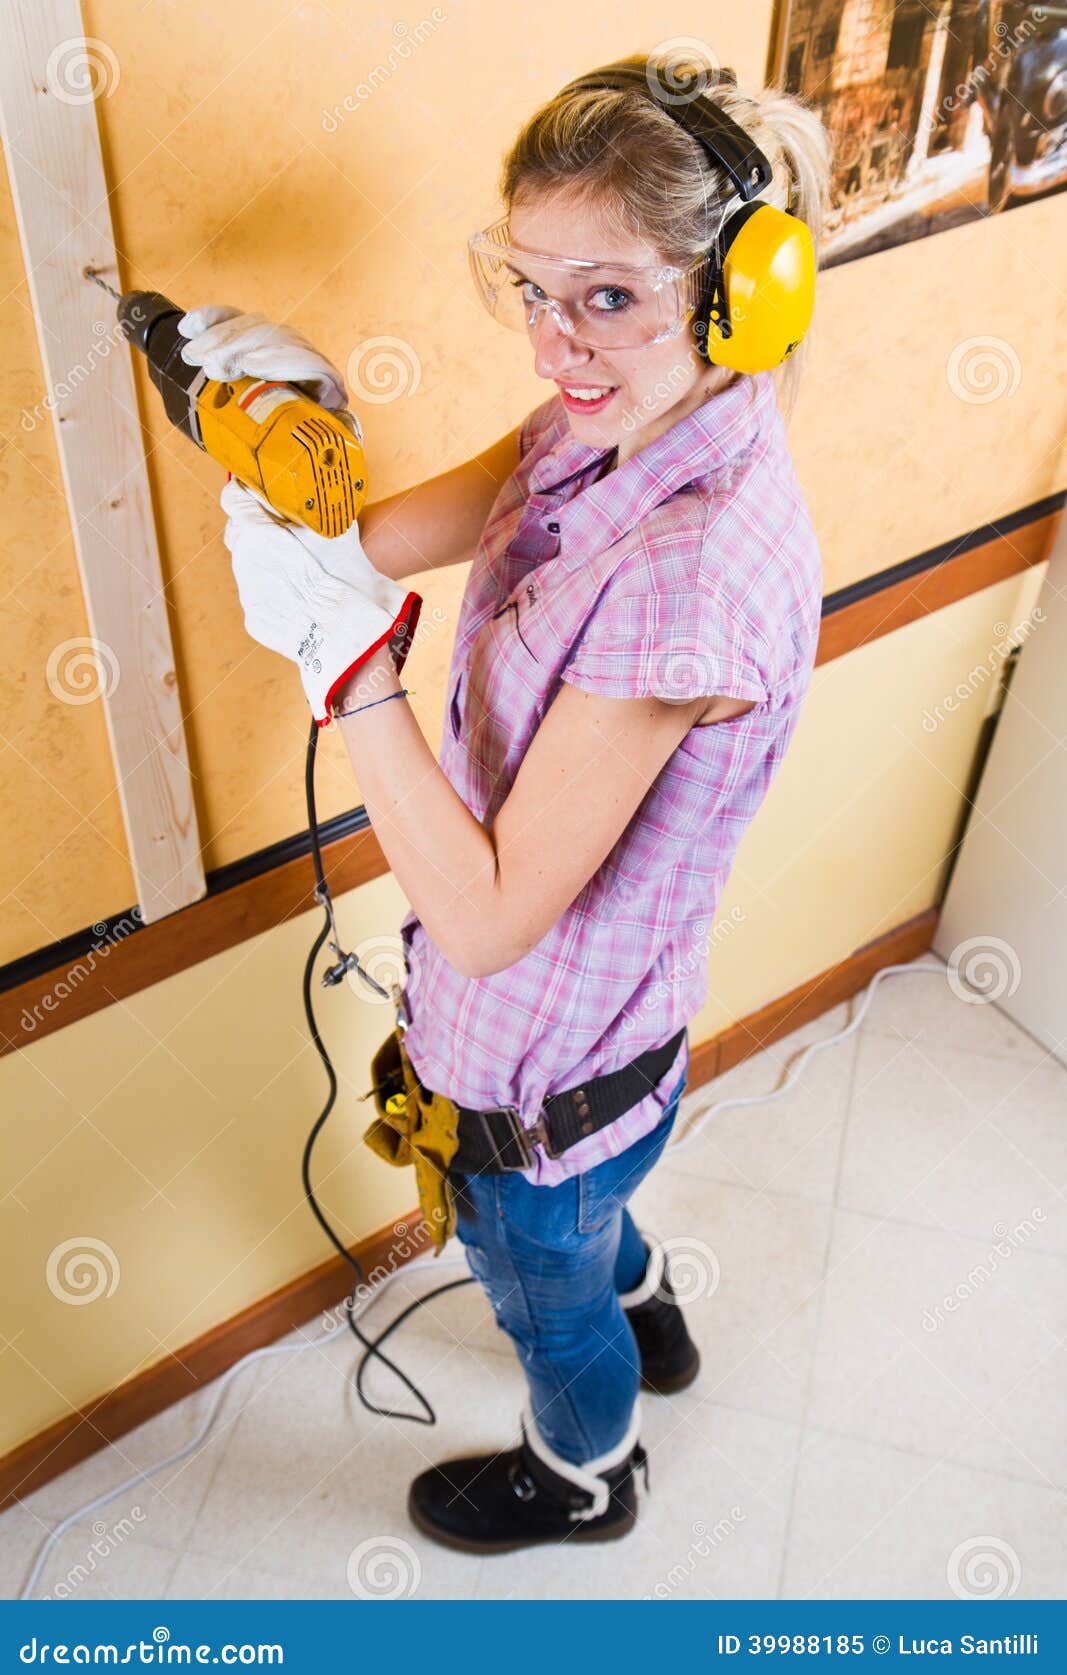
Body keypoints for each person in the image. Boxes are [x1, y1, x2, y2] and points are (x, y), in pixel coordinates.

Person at [180, 52, 831, 1555]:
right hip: (613, 1054)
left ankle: (586, 1466)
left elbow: (478, 918)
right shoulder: (594, 433)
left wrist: (351, 681)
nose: (554, 348)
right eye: (529, 289)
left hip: (548, 1096)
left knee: (540, 1277)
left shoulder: (692, 568)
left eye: (605, 296)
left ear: (750, 293)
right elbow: (383, 532)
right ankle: (648, 1305)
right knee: (594, 1239)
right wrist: (287, 421)